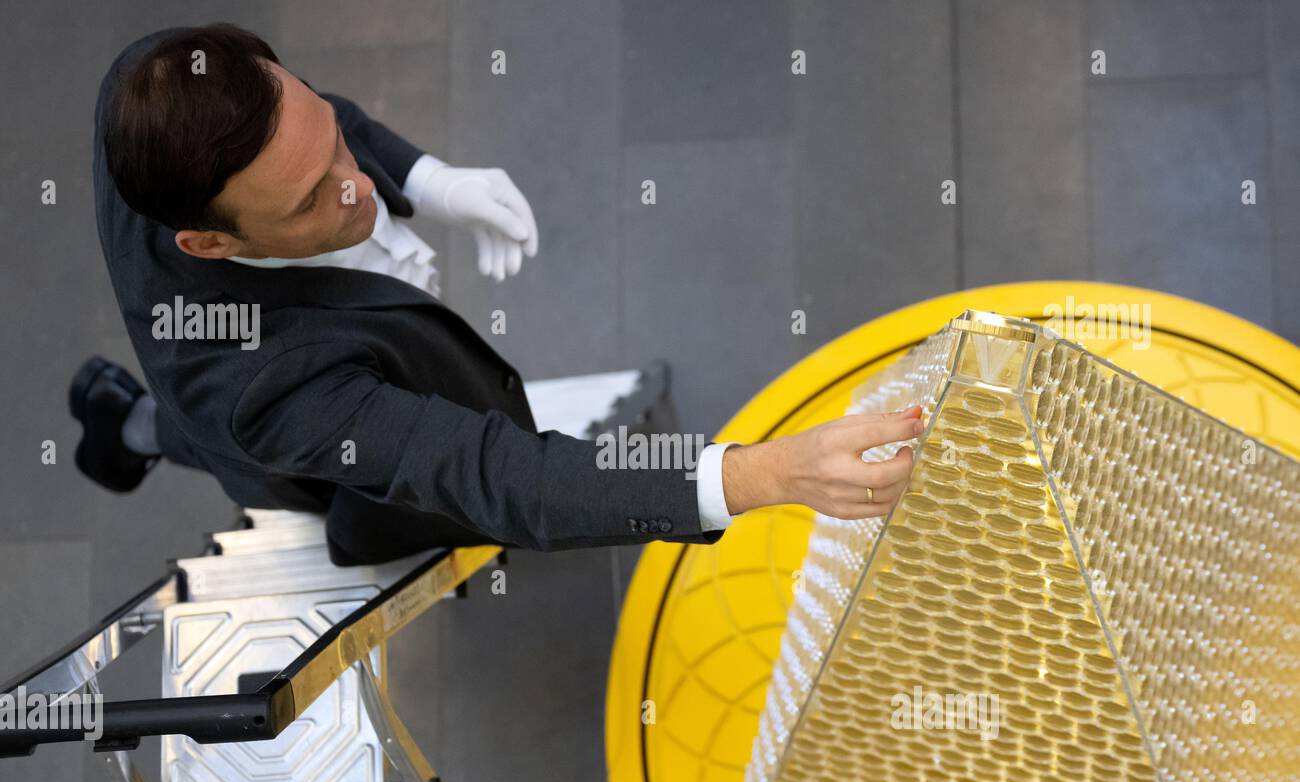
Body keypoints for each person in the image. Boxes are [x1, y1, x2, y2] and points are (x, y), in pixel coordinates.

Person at [75, 23, 919, 566]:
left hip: (225, 380)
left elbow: (312, 122)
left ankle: (129, 421)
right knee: (214, 439)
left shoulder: (156, 87)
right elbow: (496, 472)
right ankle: (132, 427)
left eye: (338, 149)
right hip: (264, 431)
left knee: (196, 420)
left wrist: (428, 180)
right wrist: (761, 473)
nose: (359, 191)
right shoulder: (270, 392)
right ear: (211, 243)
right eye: (310, 201)